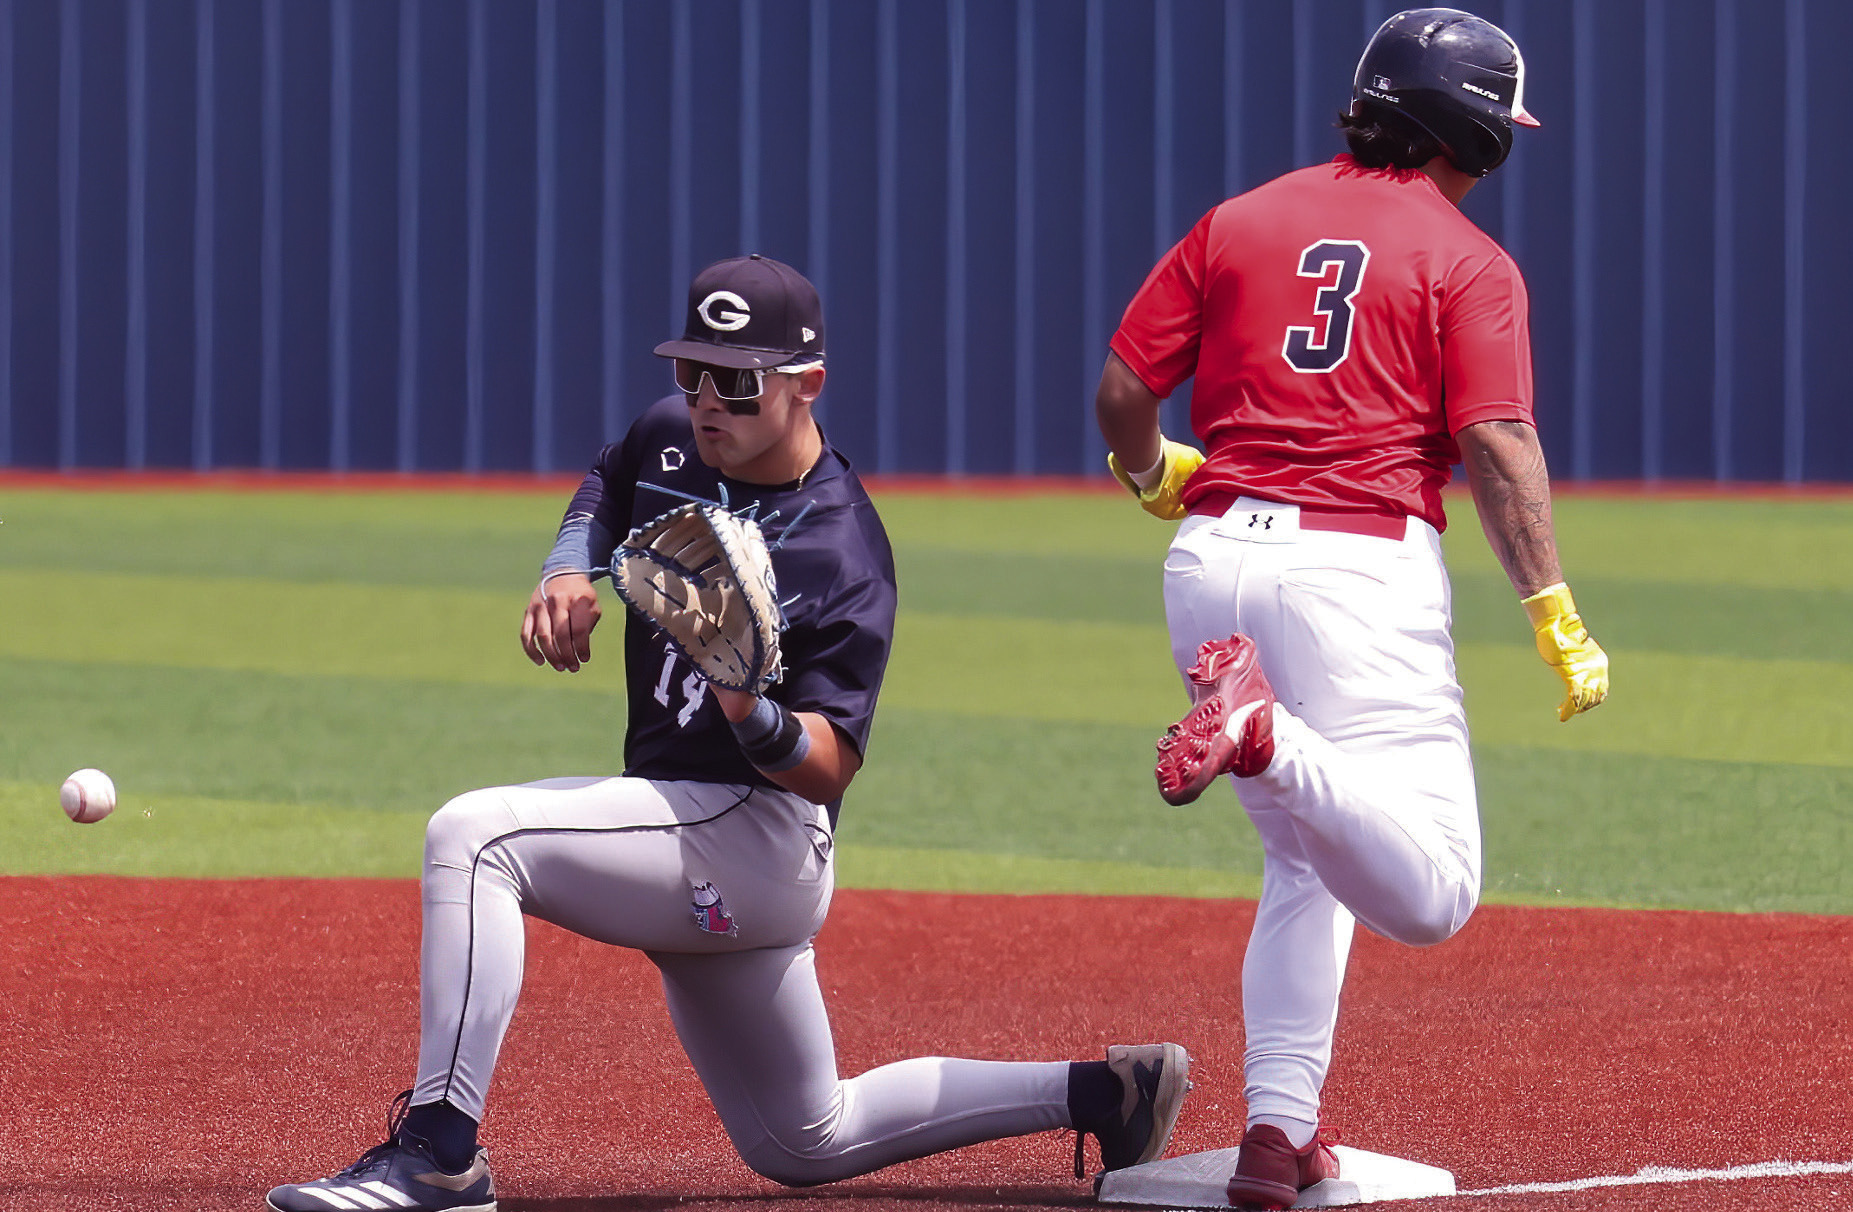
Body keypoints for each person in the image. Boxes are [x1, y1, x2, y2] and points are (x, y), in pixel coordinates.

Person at [266, 254, 1188, 1212]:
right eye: (692, 370)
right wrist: (566, 569)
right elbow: (608, 479)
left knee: (474, 837)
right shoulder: (673, 437)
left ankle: (438, 1154)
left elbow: (829, 769)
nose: (707, 401)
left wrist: (749, 706)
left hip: (756, 834)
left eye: (737, 382)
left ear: (806, 384)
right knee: (802, 1138)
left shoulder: (841, 549)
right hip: (678, 820)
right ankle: (1107, 1094)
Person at [1094, 10, 1608, 1211]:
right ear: (1476, 129)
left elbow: (1122, 388)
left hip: (1209, 560)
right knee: (1433, 893)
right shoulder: (1468, 259)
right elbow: (1496, 439)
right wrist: (1551, 606)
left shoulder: (1239, 216)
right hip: (1353, 569)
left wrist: (1149, 474)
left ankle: (1274, 1138)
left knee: (1303, 860)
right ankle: (1263, 733)